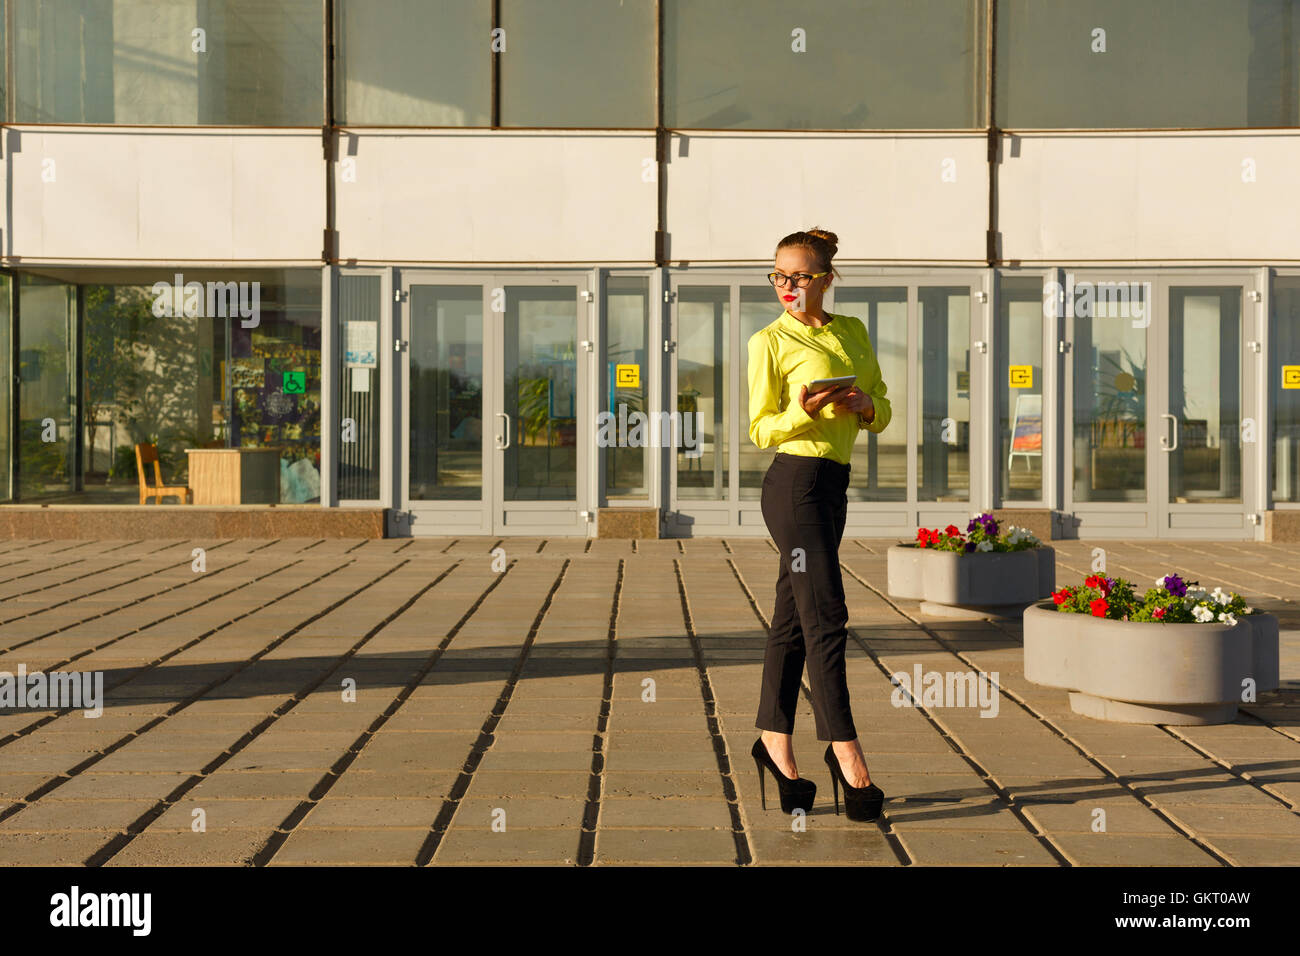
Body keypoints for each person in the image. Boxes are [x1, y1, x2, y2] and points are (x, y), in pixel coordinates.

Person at [746, 227, 892, 822]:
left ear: (826, 279)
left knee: (791, 619)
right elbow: (759, 428)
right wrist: (797, 412)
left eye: (799, 277)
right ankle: (846, 753)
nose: (787, 287)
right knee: (826, 615)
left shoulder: (851, 331)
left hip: (833, 485)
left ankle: (774, 743)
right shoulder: (769, 341)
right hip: (794, 486)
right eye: (778, 276)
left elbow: (880, 404)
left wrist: (865, 407)